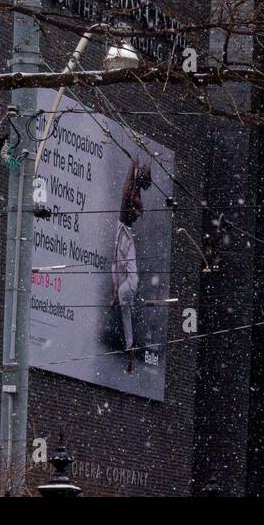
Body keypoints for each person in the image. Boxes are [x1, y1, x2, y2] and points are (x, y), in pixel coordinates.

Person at [111, 158, 151, 373]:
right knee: (130, 196)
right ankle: (137, 170)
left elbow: (116, 269)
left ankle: (137, 169)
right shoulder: (129, 287)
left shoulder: (126, 287)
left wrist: (115, 292)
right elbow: (116, 269)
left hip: (123, 230)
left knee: (129, 196)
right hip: (125, 231)